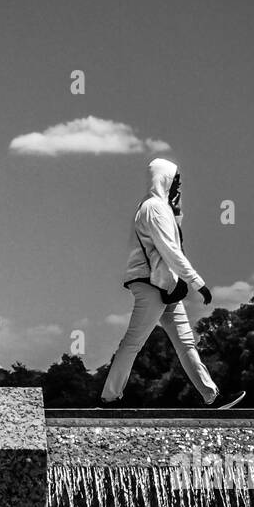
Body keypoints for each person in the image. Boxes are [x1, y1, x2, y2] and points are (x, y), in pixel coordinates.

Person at [101, 157, 246, 407]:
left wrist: (177, 214)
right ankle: (109, 398)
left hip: (165, 285)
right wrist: (197, 282)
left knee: (185, 342)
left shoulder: (162, 208)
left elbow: (172, 243)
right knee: (134, 343)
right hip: (151, 284)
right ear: (165, 180)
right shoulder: (154, 208)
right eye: (176, 182)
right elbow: (170, 249)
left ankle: (212, 396)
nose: (179, 188)